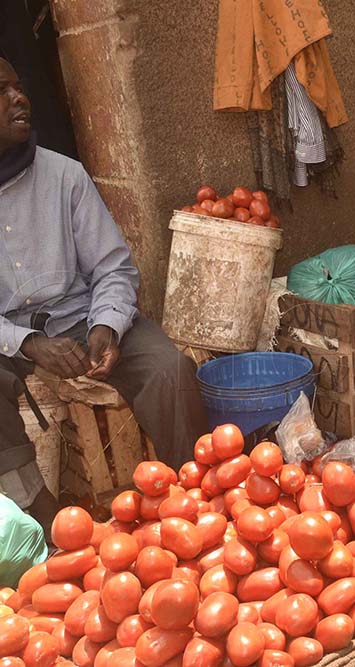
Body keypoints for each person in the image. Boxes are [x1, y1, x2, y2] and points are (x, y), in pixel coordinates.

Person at [0, 59, 208, 527]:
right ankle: (39, 513)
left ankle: (193, 500)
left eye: (19, 87)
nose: (20, 98)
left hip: (80, 317)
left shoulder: (65, 176)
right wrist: (29, 343)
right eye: (1, 91)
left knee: (169, 369)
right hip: (7, 335)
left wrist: (106, 326)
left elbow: (113, 267)